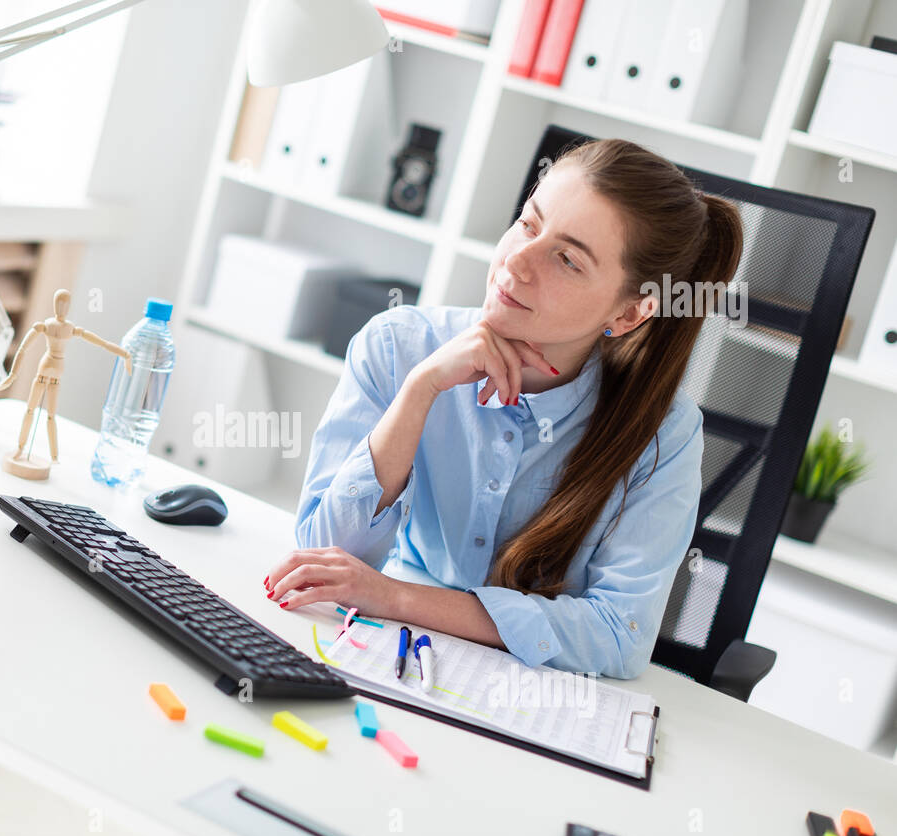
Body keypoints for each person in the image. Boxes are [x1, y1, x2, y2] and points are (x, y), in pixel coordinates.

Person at [263, 138, 743, 679]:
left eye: (566, 258)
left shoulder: (665, 433)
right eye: (528, 223)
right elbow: (321, 560)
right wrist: (420, 391)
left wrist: (393, 597)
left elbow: (619, 636)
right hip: (384, 660)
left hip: (537, 694)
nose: (516, 258)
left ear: (630, 313)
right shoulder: (400, 348)